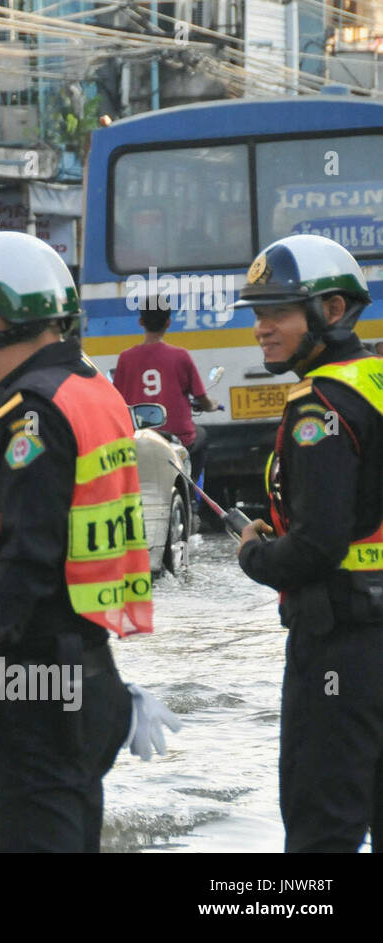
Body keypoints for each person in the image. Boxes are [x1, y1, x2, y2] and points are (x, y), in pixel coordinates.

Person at [0, 231, 152, 853]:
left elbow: (27, 561)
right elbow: (2, 477)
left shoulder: (33, 416)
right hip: (86, 673)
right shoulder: (84, 392)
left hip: (33, 689)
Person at [233, 233, 383, 853]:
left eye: (278, 312)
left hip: (340, 651)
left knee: (322, 830)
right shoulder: (372, 378)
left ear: (332, 311)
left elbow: (317, 546)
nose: (263, 328)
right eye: (259, 313)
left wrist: (252, 553)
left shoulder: (319, 406)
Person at [112, 299, 220, 481]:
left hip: (141, 436)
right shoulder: (180, 356)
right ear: (168, 323)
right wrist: (213, 405)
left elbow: (116, 399)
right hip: (178, 437)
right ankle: (192, 492)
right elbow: (201, 397)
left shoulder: (125, 358)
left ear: (141, 322)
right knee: (202, 435)